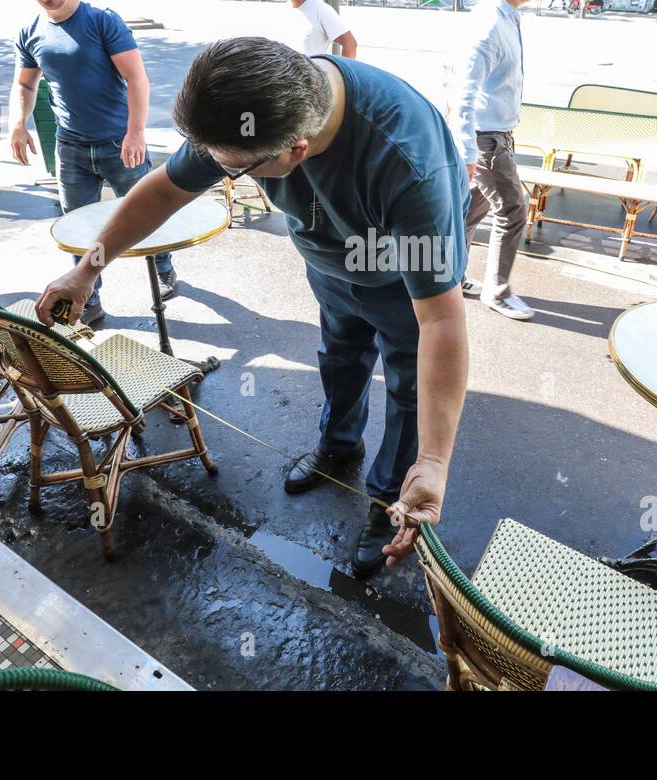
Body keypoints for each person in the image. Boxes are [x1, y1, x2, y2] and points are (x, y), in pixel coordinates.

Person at [35, 36, 470, 578]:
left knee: (407, 387)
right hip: (330, 264)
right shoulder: (251, 111)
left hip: (400, 284)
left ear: (296, 150)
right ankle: (339, 447)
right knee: (338, 355)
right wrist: (86, 269)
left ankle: (388, 499)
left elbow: (442, 319)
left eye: (235, 172)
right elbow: (165, 189)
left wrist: (434, 462)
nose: (224, 174)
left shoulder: (406, 165)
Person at [6, 0, 174, 326]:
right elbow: (25, 85)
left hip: (121, 144)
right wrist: (18, 124)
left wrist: (136, 133)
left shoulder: (102, 21)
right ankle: (88, 298)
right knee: (77, 227)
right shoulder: (30, 32)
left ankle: (163, 269)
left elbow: (137, 79)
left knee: (144, 217)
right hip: (72, 149)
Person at [449, 0, 544, 321]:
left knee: (471, 210)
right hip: (486, 142)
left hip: (495, 137)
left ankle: (453, 278)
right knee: (513, 210)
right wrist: (468, 155)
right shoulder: (489, 24)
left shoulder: (506, 14)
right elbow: (462, 95)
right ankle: (498, 291)